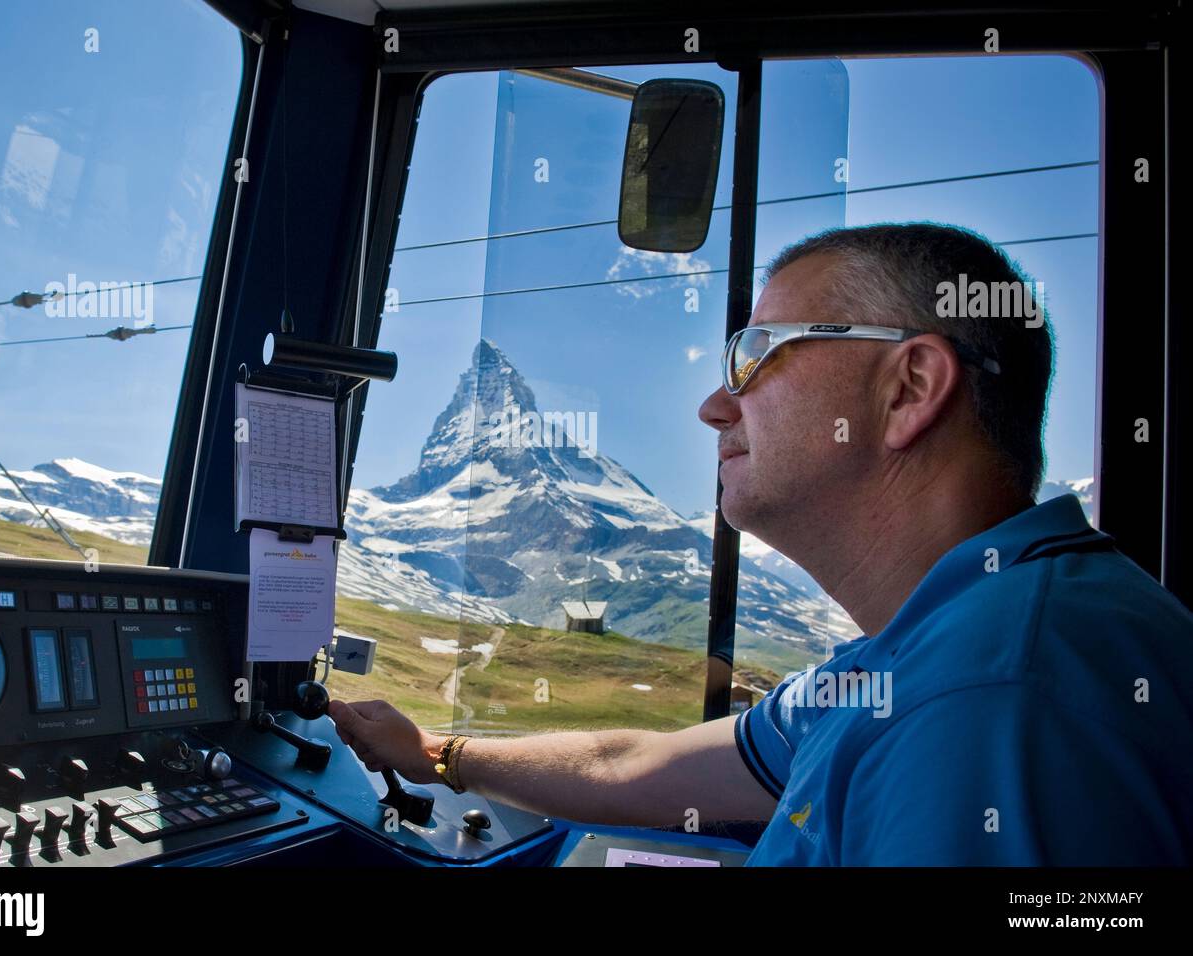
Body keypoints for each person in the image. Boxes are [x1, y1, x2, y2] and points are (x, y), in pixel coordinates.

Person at [328, 223, 1193, 865]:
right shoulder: (922, 649)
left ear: (910, 389)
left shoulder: (990, 700)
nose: (714, 404)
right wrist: (439, 753)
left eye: (754, 354)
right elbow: (636, 762)